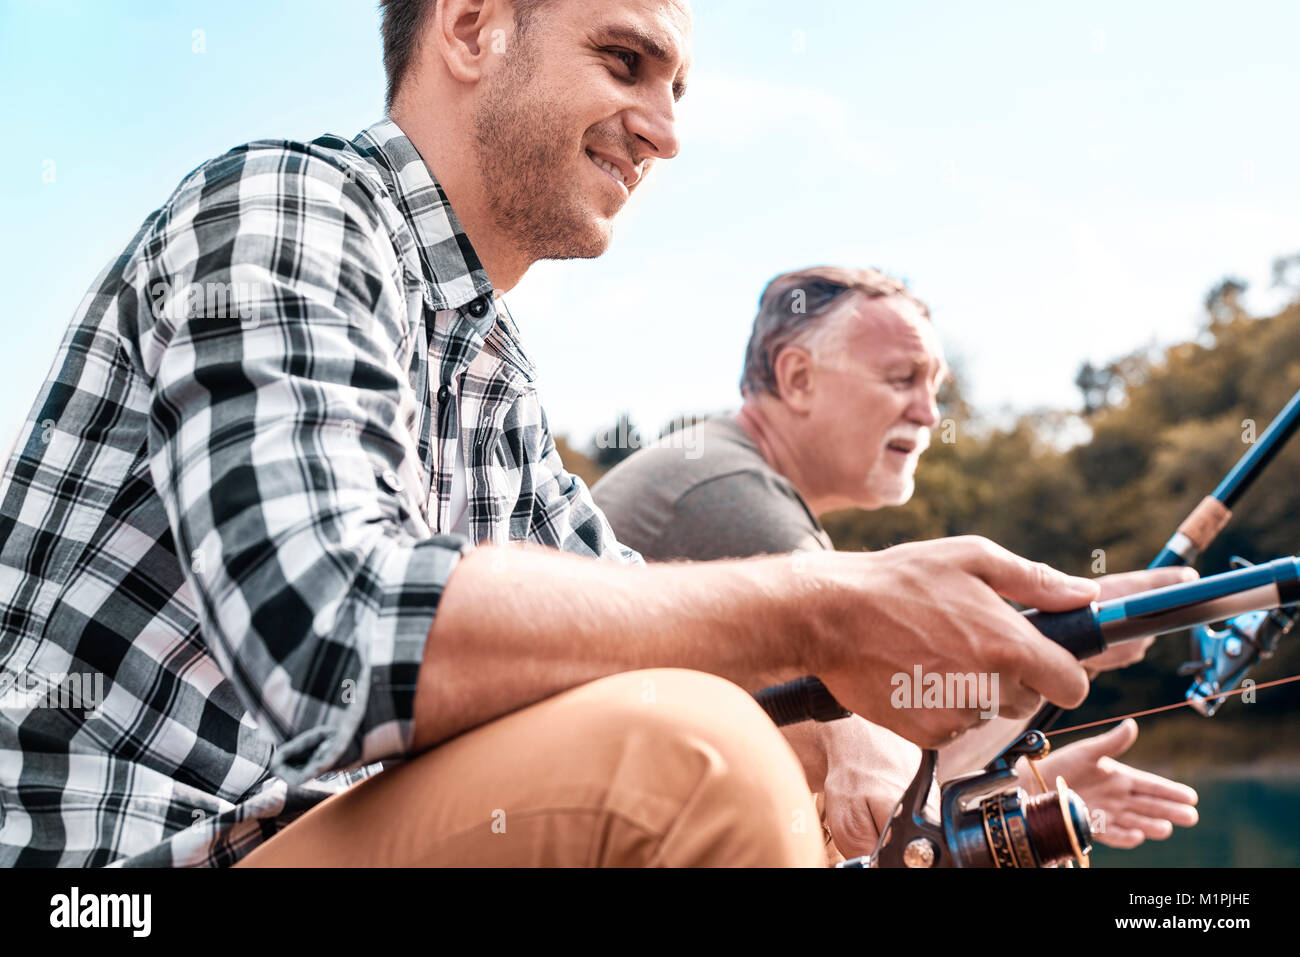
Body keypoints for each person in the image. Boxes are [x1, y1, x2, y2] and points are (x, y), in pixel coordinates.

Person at [2, 1, 1104, 868]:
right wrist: (832, 611)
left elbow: (620, 619)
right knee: (686, 761)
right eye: (625, 63)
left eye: (677, 89)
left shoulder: (492, 367)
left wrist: (909, 757)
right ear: (472, 24)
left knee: (734, 745)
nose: (666, 132)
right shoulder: (285, 206)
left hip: (295, 838)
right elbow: (331, 639)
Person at [593, 266, 1201, 860]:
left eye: (934, 386)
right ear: (798, 378)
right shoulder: (730, 494)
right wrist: (1066, 643)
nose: (930, 413)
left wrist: (1058, 660)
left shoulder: (735, 479)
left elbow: (878, 771)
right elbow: (886, 778)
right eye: (902, 378)